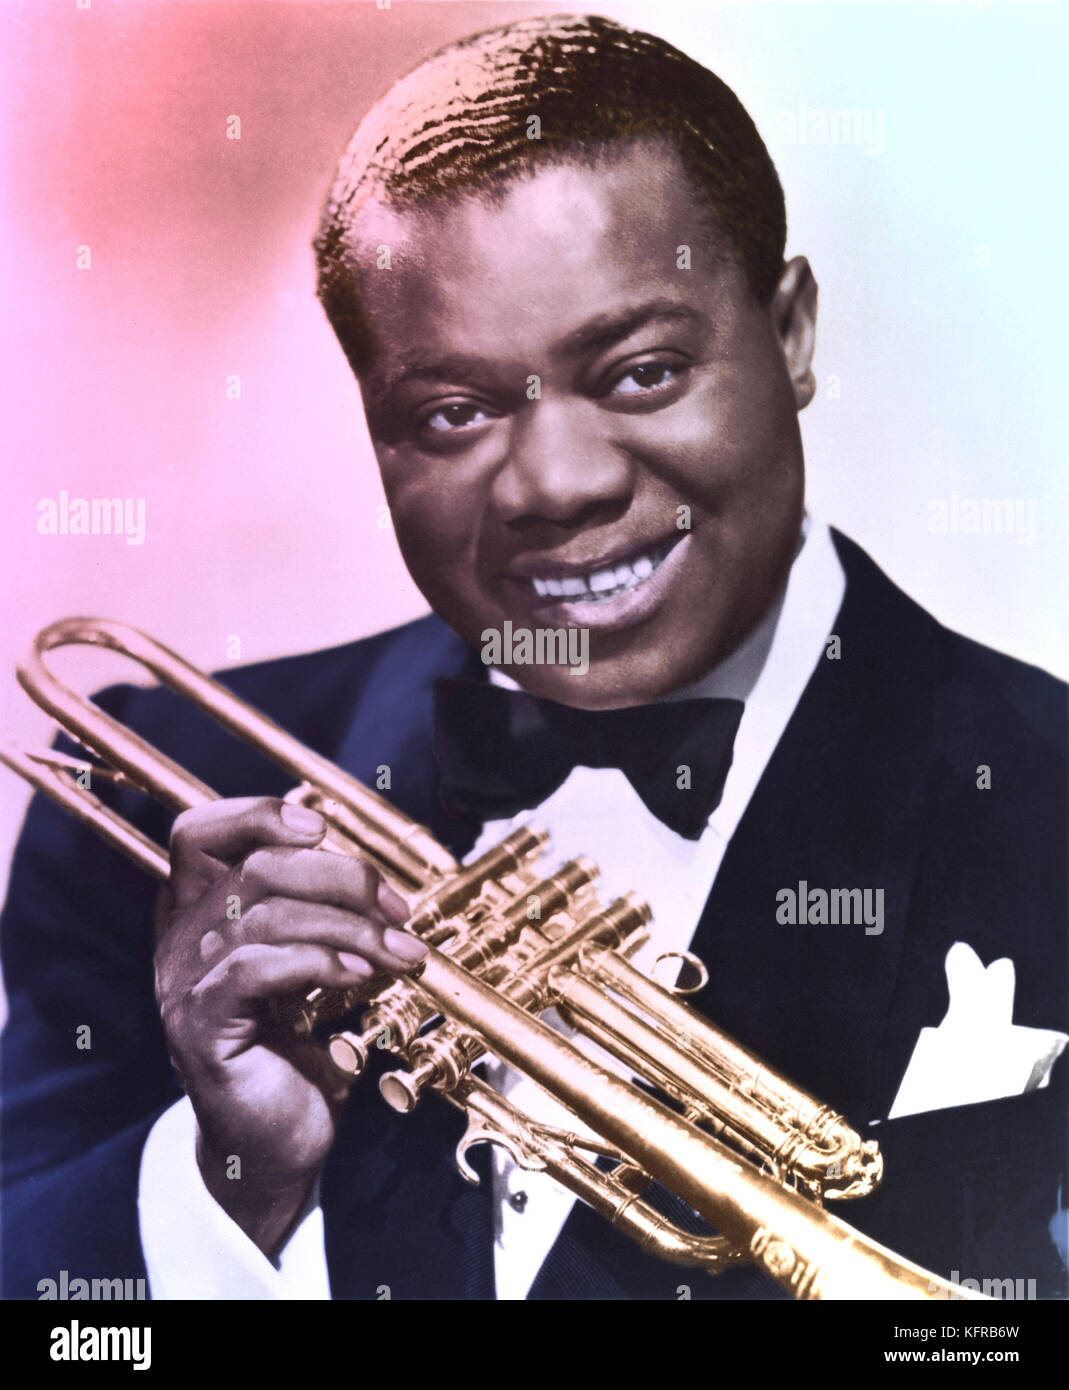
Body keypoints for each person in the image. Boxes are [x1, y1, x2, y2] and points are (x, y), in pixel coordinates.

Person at [2, 14, 1065, 1302]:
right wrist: (232, 1188)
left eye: (640, 373)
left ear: (790, 338)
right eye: (450, 411)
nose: (555, 484)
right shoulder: (167, 797)